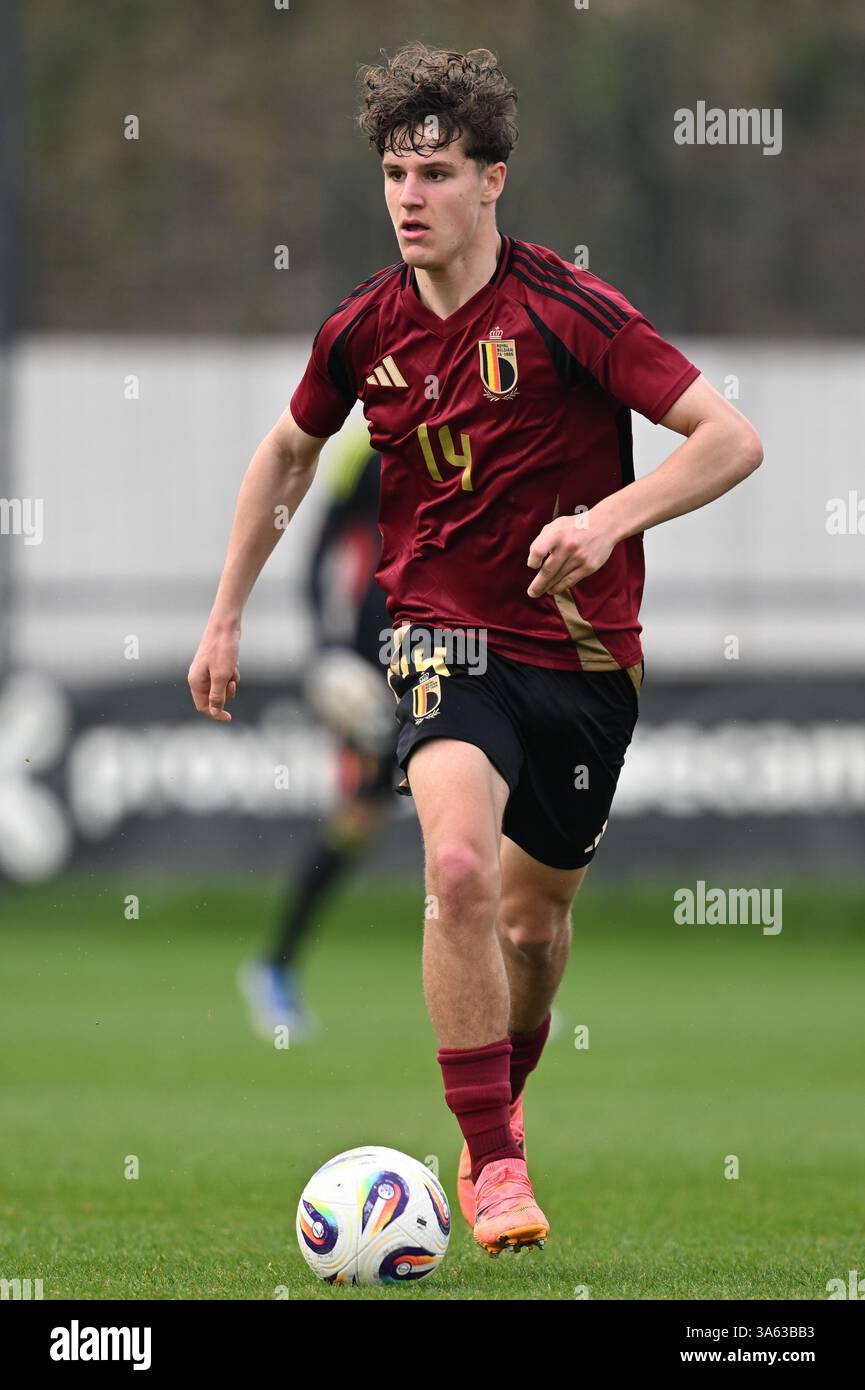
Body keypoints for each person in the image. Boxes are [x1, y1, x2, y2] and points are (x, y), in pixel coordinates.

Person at [188, 42, 763, 1259]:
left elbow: (729, 439)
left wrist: (608, 519)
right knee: (452, 866)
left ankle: (500, 1099)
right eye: (395, 171)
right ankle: (495, 1159)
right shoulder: (362, 329)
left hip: (586, 662)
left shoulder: (568, 310)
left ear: (491, 181)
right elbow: (289, 455)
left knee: (531, 930)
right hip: (440, 633)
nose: (409, 196)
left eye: (436, 172)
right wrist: (227, 611)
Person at [238, 427, 397, 1042]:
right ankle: (275, 966)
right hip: (371, 663)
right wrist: (328, 652)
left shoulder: (479, 419)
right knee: (360, 815)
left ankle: (511, 989)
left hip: (449, 654)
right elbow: (325, 553)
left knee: (478, 817)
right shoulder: (369, 444)